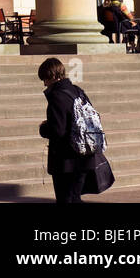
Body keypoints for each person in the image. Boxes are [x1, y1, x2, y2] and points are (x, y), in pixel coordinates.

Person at [37, 57, 101, 203]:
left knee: (66, 199)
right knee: (74, 197)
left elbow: (57, 130)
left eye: (45, 79)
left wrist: (43, 128)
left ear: (52, 76)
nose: (44, 83)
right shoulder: (77, 91)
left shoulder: (56, 96)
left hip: (66, 161)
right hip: (85, 155)